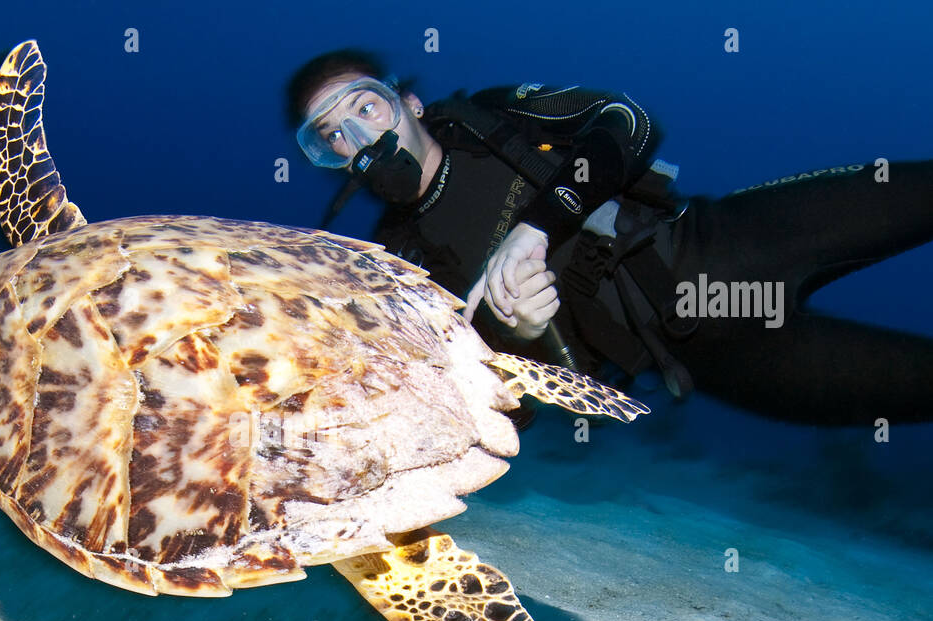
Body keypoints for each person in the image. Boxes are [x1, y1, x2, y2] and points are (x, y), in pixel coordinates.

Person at [287, 50, 933, 426]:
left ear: (409, 103)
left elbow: (631, 122)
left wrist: (537, 228)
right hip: (708, 358)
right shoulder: (399, 263)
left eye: (365, 107)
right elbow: (502, 412)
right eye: (331, 136)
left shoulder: (494, 118)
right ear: (330, 159)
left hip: (727, 244)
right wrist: (518, 333)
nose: (361, 138)